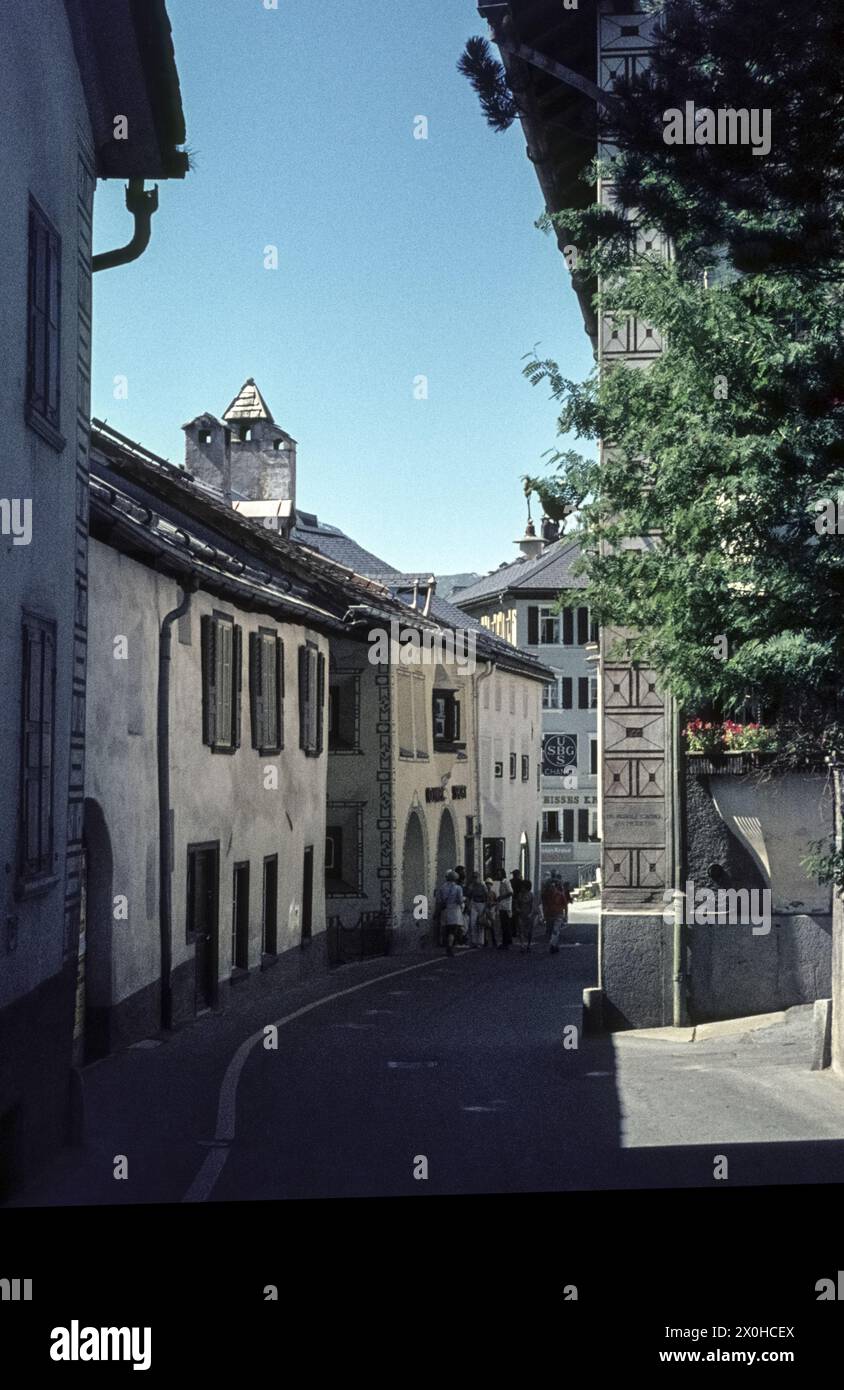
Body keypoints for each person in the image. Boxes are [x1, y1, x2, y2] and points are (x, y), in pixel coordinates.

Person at [435, 870, 465, 958]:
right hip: (454, 910)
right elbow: (460, 900)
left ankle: (446, 944)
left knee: (446, 929)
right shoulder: (458, 888)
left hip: (445, 910)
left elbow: (439, 900)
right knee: (453, 930)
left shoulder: (442, 888)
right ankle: (450, 947)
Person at [543, 874, 569, 954]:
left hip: (558, 915)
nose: (552, 888)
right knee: (550, 931)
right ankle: (555, 945)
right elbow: (545, 905)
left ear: (556, 887)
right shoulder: (546, 895)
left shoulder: (560, 895)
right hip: (549, 915)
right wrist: (544, 915)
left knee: (555, 930)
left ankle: (552, 944)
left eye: (553, 886)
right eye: (550, 886)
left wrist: (565, 916)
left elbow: (565, 905)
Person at [515, 878, 538, 952]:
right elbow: (516, 903)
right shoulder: (519, 895)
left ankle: (528, 944)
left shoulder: (531, 895)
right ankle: (522, 945)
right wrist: (517, 908)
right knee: (521, 930)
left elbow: (533, 906)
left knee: (529, 932)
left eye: (523, 887)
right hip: (521, 915)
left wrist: (531, 914)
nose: (522, 888)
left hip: (529, 915)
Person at [466, 871, 488, 948]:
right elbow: (468, 895)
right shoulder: (472, 886)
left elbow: (486, 897)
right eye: (473, 877)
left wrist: (485, 908)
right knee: (473, 923)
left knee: (480, 923)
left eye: (476, 877)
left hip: (482, 904)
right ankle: (474, 941)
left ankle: (480, 942)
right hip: (474, 904)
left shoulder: (483, 886)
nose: (474, 879)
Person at [496, 870, 513, 949]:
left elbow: (510, 892)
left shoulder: (506, 882)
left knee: (505, 925)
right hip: (502, 906)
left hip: (505, 906)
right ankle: (507, 941)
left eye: (499, 874)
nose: (498, 876)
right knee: (505, 925)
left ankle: (505, 942)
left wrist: (501, 897)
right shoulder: (502, 883)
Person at [482, 877, 498, 948]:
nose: (488, 885)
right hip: (486, 909)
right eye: (487, 884)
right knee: (486, 926)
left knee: (492, 926)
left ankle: (494, 940)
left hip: (491, 910)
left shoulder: (493, 893)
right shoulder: (484, 893)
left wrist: (493, 904)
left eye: (489, 884)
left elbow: (496, 901)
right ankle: (486, 940)